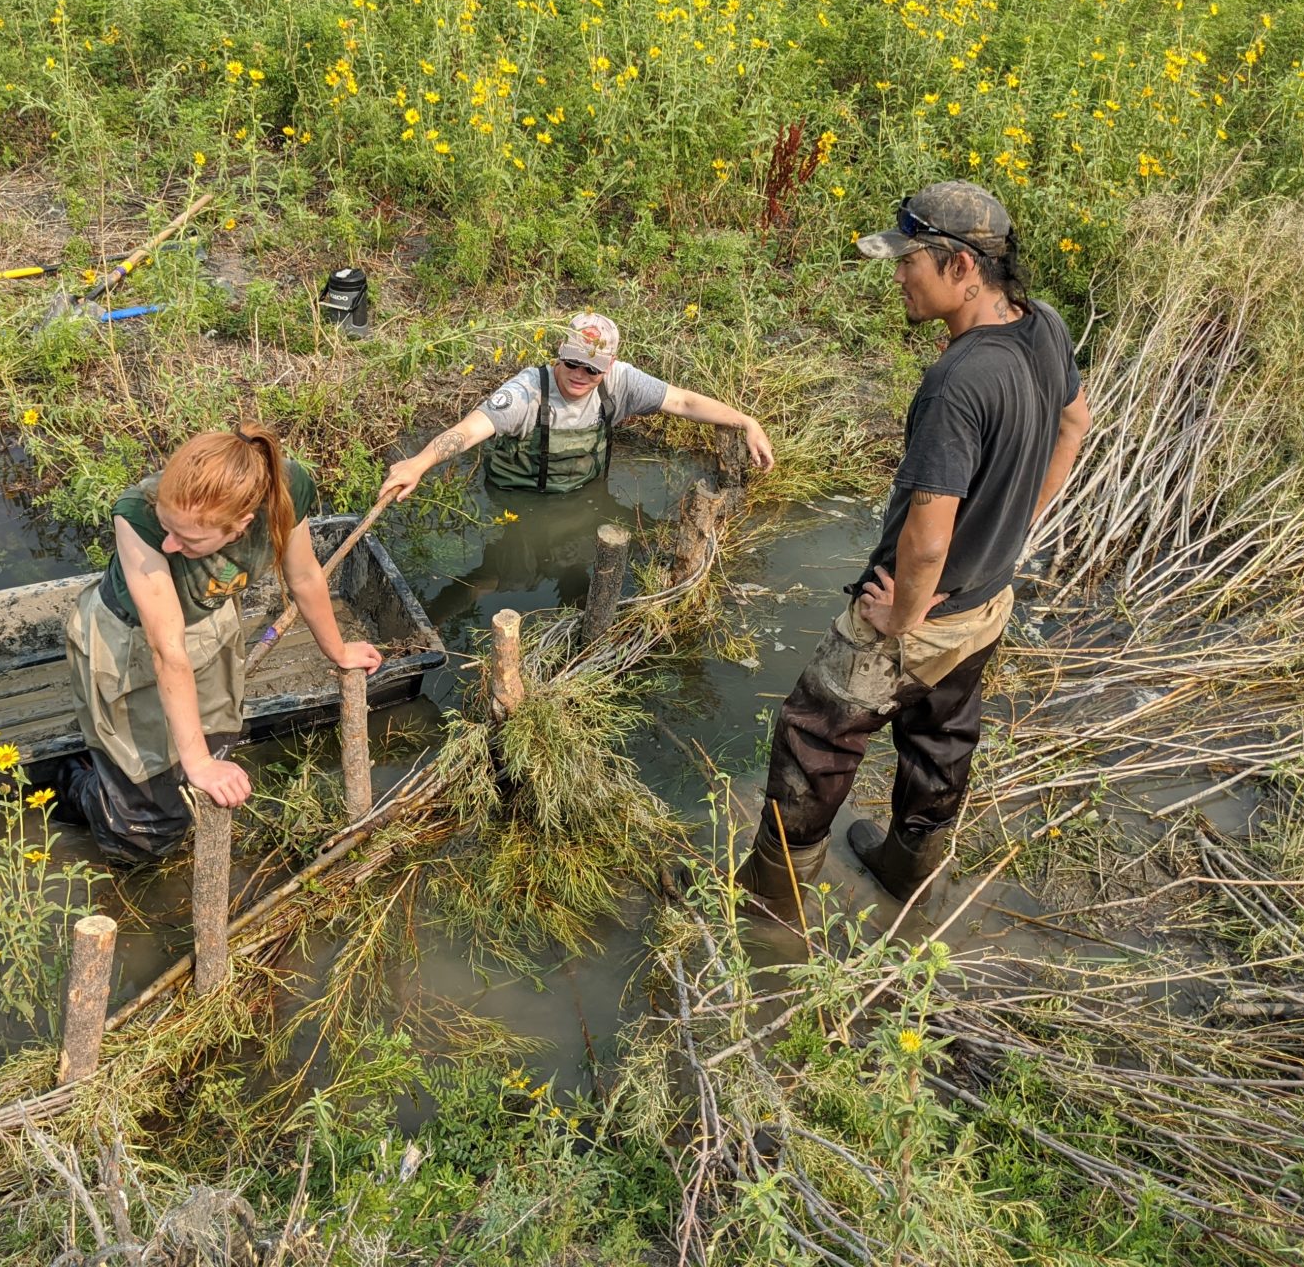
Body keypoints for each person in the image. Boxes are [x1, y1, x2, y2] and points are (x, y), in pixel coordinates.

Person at [736, 181, 1090, 905]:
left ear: (962, 267)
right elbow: (1075, 422)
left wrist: (901, 618)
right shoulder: (1046, 325)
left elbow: (925, 544)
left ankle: (770, 903)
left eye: (910, 261)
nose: (898, 275)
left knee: (815, 735)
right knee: (942, 737)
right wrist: (1012, 526)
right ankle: (908, 869)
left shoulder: (957, 382)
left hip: (921, 611)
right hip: (987, 601)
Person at [55, 424, 383, 866]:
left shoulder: (282, 488)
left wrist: (338, 650)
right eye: (169, 530)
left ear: (240, 526)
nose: (171, 544)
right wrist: (198, 764)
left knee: (211, 759)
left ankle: (123, 774)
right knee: (144, 831)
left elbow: (304, 576)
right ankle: (73, 783)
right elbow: (167, 649)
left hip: (211, 621)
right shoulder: (137, 516)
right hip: (129, 639)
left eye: (188, 540)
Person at [377, 311, 775, 503]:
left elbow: (684, 401)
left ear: (610, 366)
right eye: (573, 363)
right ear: (559, 355)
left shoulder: (621, 382)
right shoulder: (526, 393)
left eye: (594, 368)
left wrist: (746, 421)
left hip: (585, 495)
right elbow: (468, 430)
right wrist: (418, 463)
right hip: (518, 500)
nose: (581, 375)